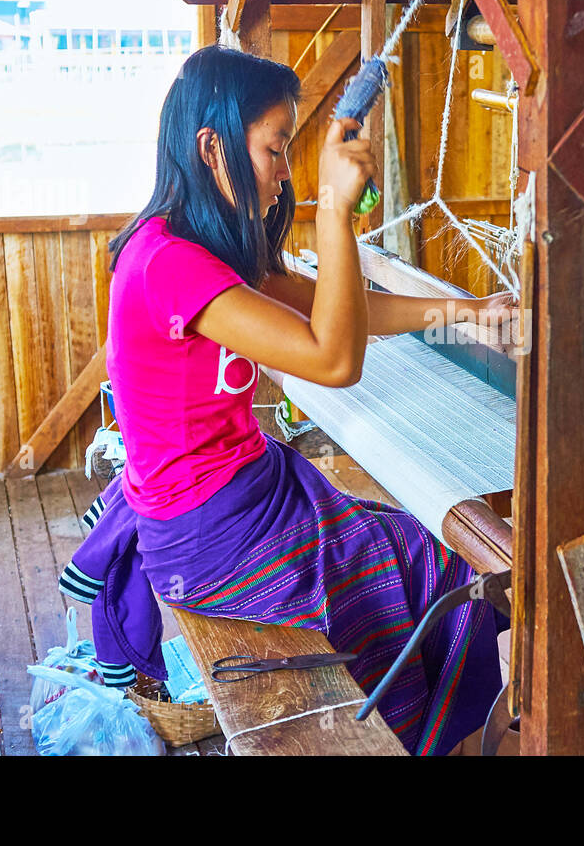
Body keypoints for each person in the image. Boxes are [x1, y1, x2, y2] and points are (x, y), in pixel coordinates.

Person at [101, 44, 512, 755]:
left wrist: (465, 311)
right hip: (212, 537)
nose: (285, 171)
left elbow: (335, 309)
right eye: (275, 149)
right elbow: (335, 356)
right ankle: (439, 740)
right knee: (417, 582)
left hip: (246, 496)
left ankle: (455, 740)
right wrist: (335, 216)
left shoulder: (203, 251)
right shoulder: (167, 263)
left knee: (435, 562)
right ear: (212, 148)